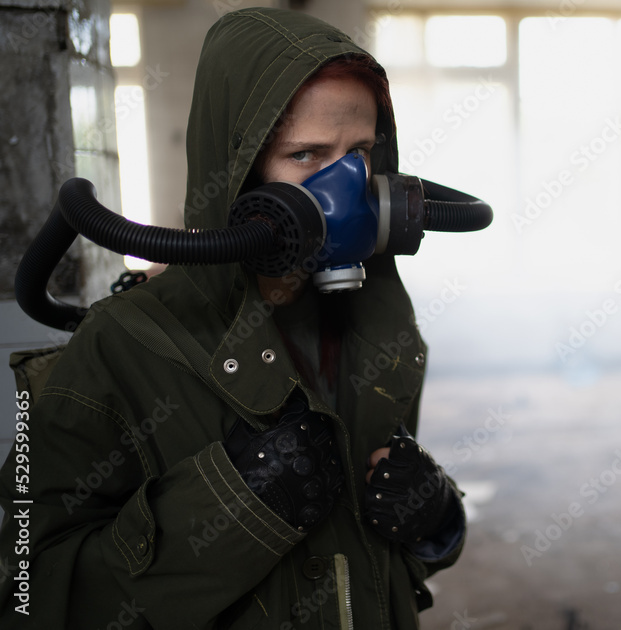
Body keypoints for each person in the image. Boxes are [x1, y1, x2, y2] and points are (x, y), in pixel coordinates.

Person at [0, 7, 465, 629]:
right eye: (305, 154)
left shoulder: (379, 326)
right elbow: (28, 594)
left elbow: (371, 559)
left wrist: (437, 519)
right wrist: (230, 509)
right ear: (239, 171)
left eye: (360, 152)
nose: (350, 187)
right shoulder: (120, 344)